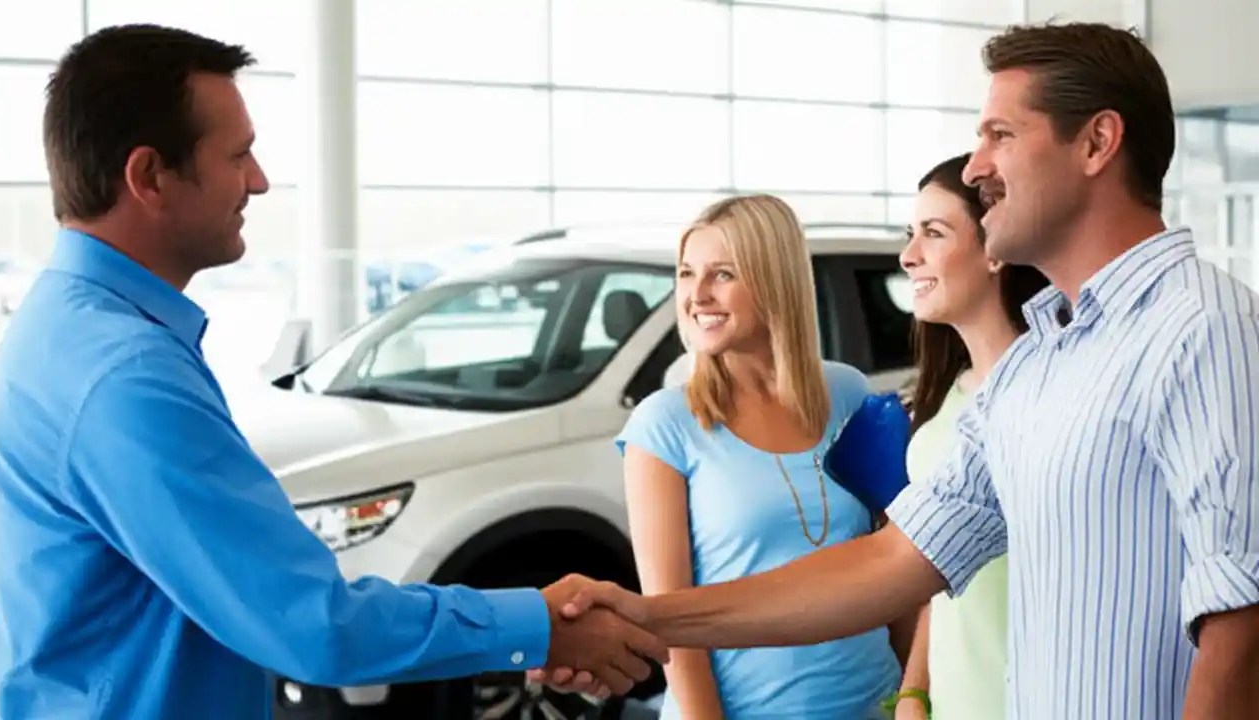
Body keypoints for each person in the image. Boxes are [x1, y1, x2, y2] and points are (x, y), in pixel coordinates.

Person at [537, 22, 1259, 720]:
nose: (976, 167)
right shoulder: (1040, 364)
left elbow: (1242, 622)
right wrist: (646, 615)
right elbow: (894, 562)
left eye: (1000, 136)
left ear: (1098, 142)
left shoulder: (1201, 324)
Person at [0, 24, 664, 720]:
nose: (259, 180)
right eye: (238, 155)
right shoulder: (123, 376)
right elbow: (313, 623)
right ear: (149, 176)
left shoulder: (58, 328)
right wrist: (541, 624)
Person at [618, 194, 910, 718]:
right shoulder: (664, 425)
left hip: (876, 701)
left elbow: (900, 565)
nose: (697, 295)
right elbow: (673, 624)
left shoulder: (848, 394)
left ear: (775, 280)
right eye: (687, 273)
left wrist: (917, 694)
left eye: (722, 274)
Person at [889, 153, 1048, 720]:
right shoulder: (945, 395)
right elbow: (938, 567)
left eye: (934, 233)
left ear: (995, 249)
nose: (909, 257)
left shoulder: (1048, 392)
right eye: (911, 235)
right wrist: (914, 692)